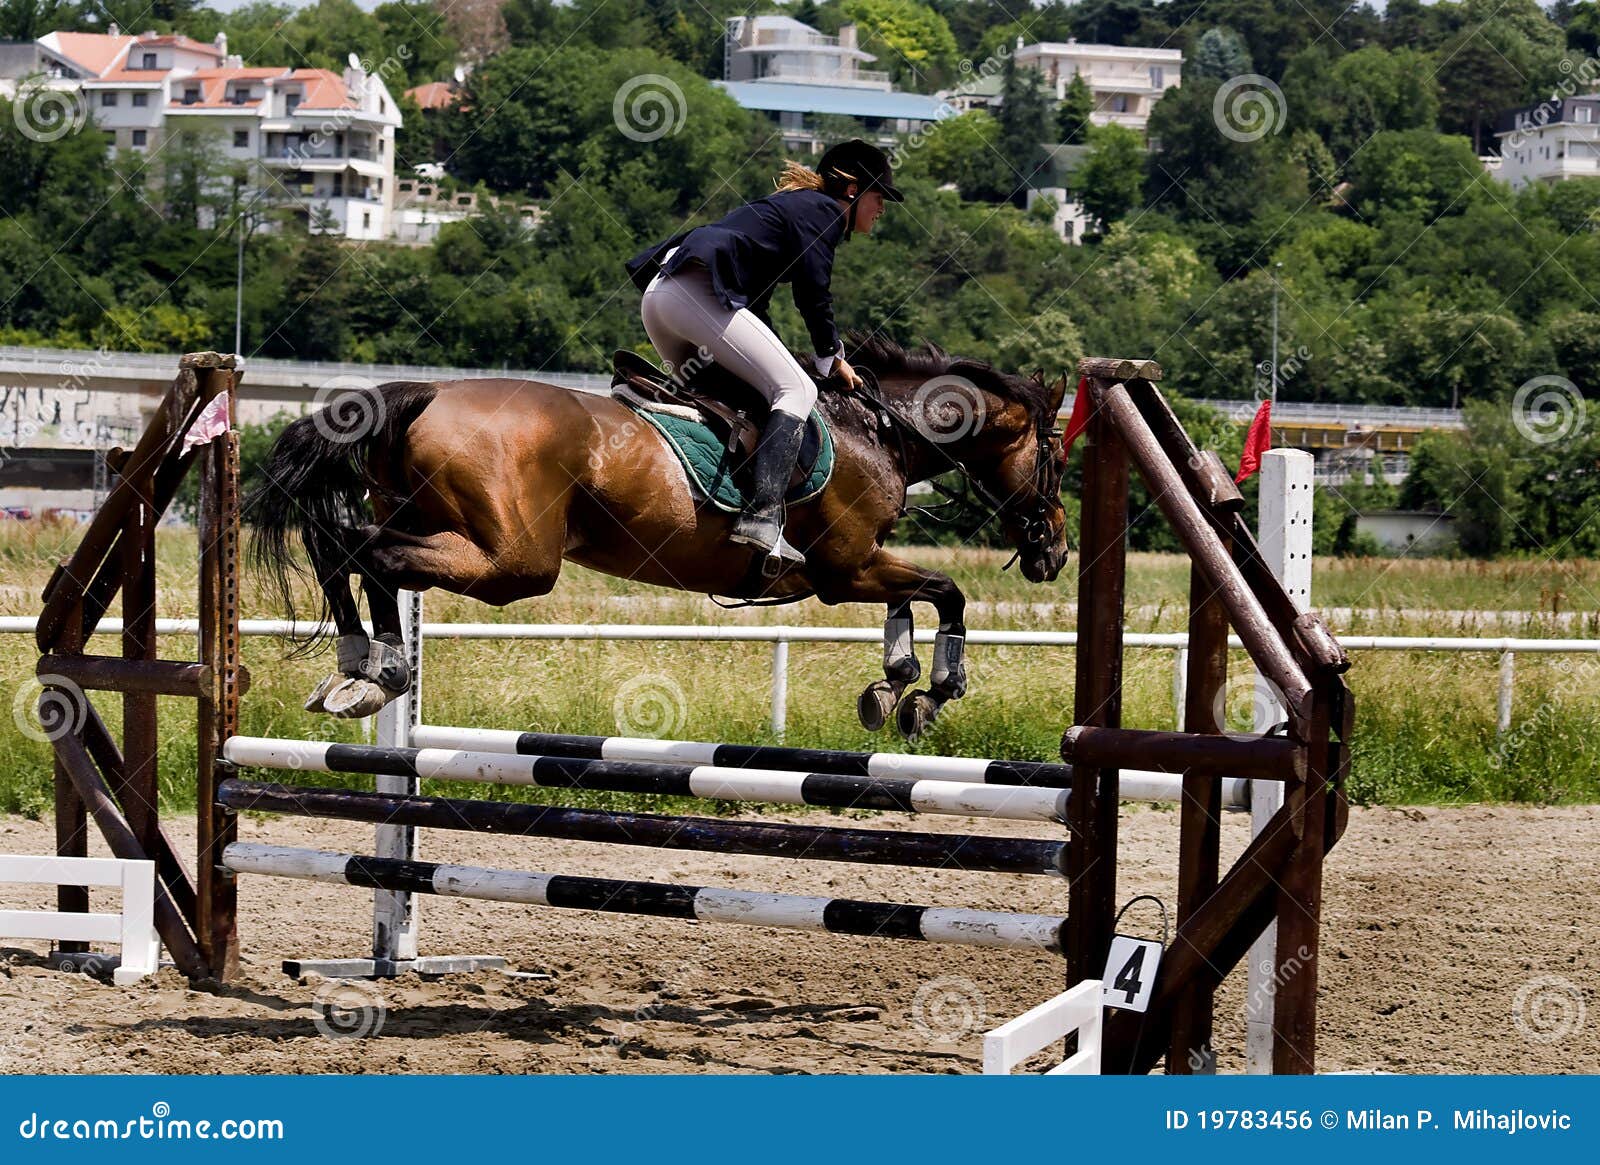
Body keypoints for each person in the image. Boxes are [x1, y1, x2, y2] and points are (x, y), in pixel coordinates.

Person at [625, 139, 903, 568]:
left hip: (662, 298)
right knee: (797, 392)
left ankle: (703, 497)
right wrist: (831, 357)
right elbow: (815, 293)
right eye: (879, 197)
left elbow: (757, 307)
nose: (882, 209)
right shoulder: (824, 211)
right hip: (697, 297)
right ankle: (762, 517)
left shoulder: (792, 210)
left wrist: (786, 355)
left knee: (723, 397)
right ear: (853, 191)